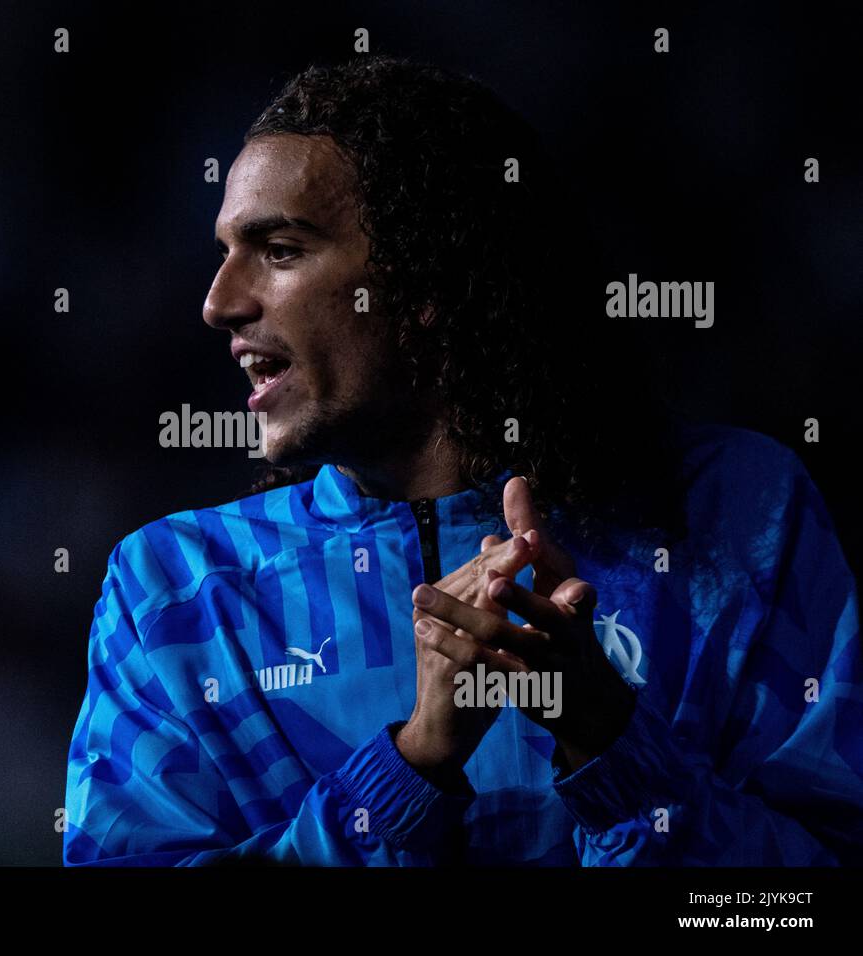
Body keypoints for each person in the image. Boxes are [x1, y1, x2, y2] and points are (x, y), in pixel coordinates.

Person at [63, 56, 862, 865]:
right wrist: (406, 769)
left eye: (278, 250)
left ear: (427, 277)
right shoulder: (173, 592)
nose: (219, 302)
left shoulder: (737, 510)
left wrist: (609, 741)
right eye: (226, 250)